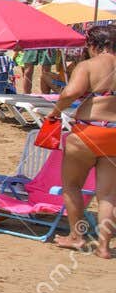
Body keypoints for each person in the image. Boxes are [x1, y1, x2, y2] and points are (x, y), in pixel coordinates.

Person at [47, 25, 116, 256]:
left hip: (88, 131)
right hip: (114, 134)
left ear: (94, 45)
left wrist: (56, 112)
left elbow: (70, 92)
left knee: (72, 185)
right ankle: (104, 247)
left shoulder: (88, 65)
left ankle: (77, 237)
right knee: (107, 194)